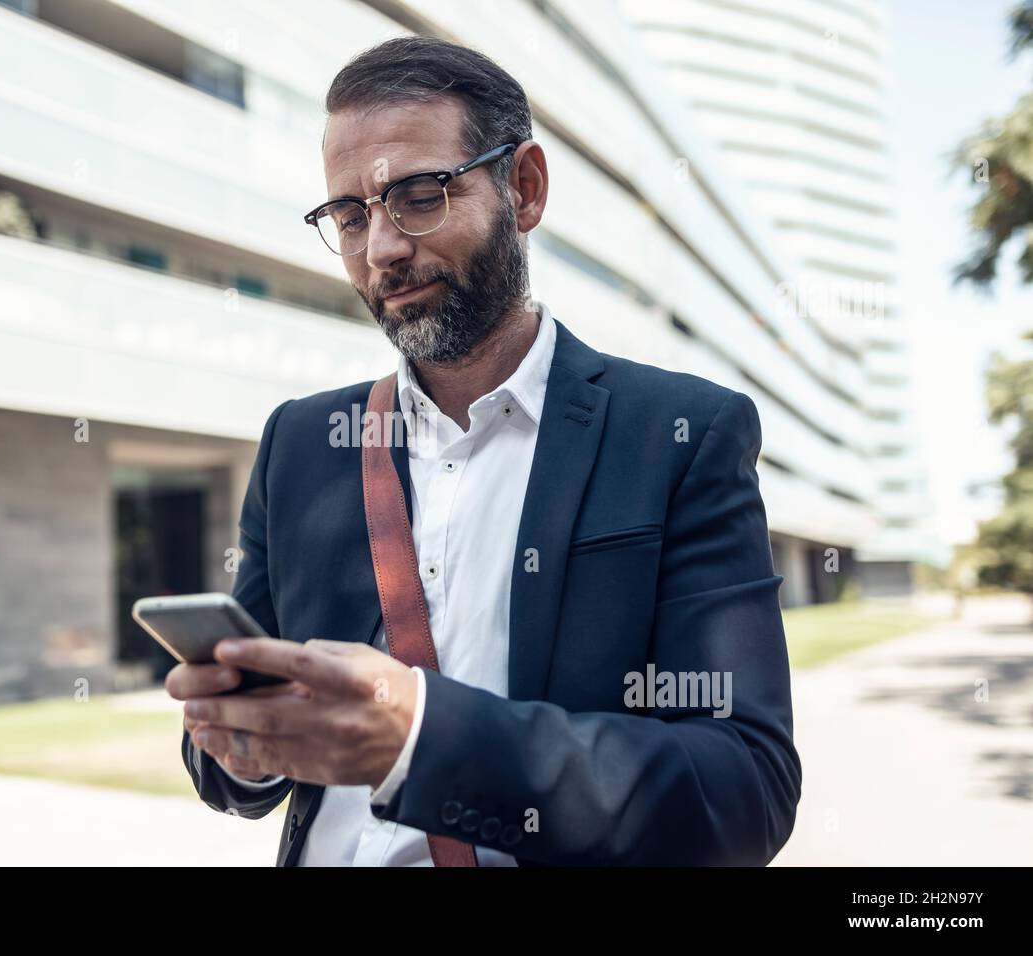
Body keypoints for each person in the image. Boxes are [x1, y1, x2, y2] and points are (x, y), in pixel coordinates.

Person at [168, 35, 801, 866]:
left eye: (419, 195)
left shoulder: (681, 434)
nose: (382, 249)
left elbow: (744, 793)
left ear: (525, 188)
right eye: (351, 216)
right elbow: (236, 780)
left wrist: (421, 737)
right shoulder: (300, 443)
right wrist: (240, 745)